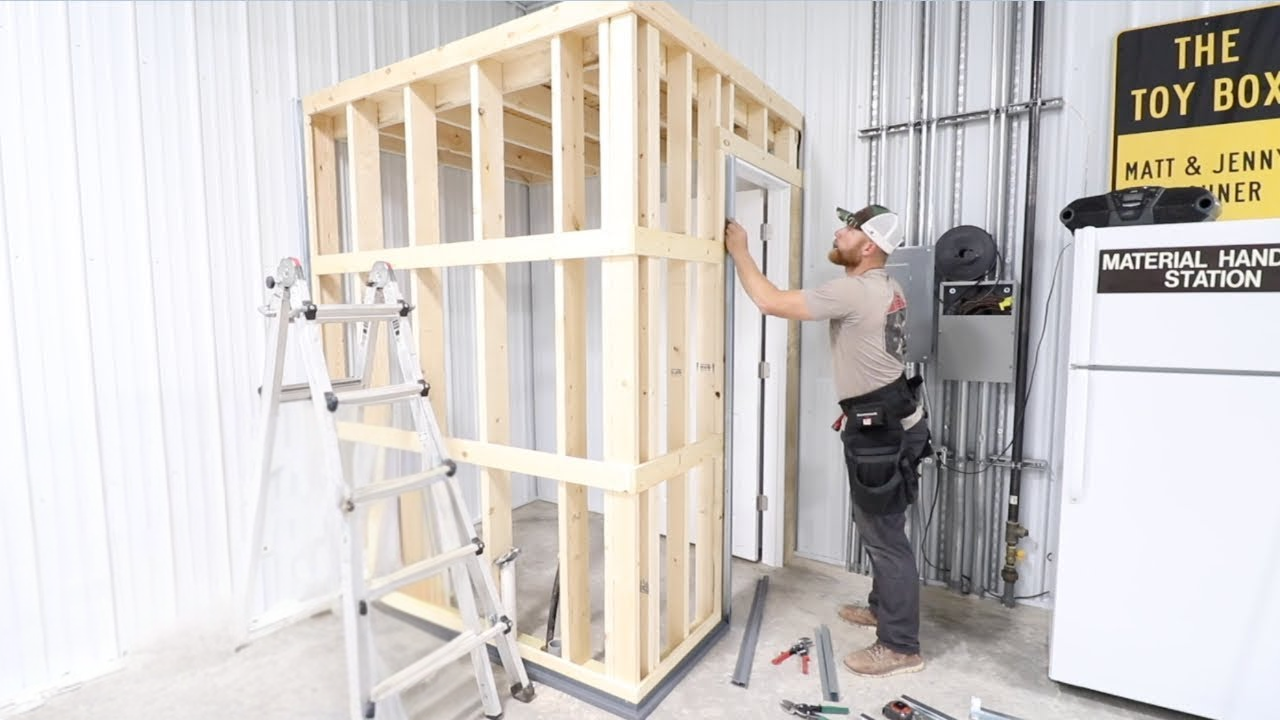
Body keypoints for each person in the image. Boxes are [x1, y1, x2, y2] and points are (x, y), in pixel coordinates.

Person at [723, 203, 933, 678]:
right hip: (891, 418)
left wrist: (740, 251)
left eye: (851, 229)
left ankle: (900, 646)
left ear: (870, 245)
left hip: (883, 429)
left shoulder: (856, 291)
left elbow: (771, 303)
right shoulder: (887, 286)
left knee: (885, 539)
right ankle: (883, 608)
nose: (839, 232)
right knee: (879, 525)